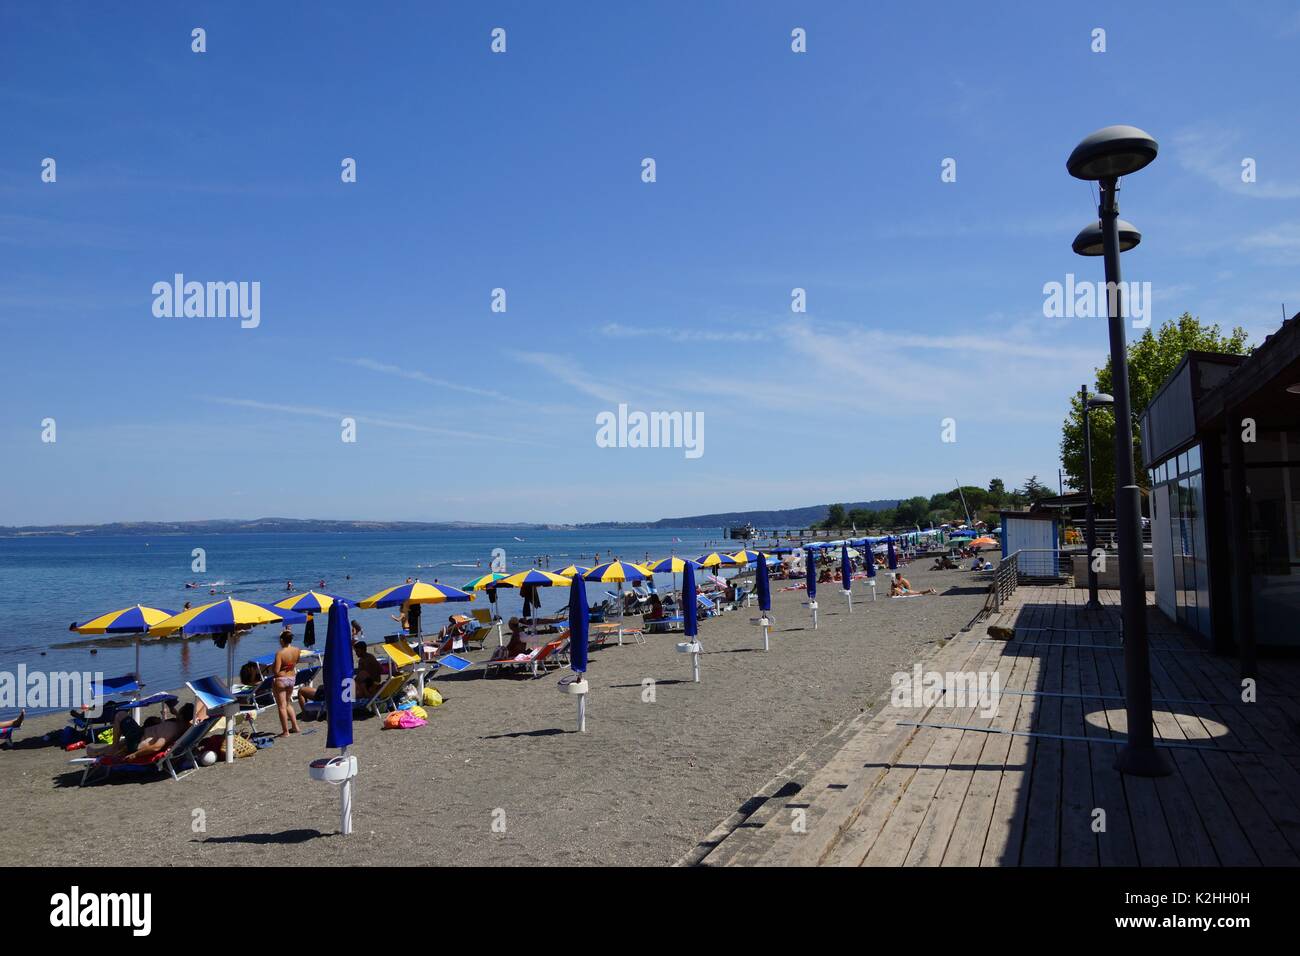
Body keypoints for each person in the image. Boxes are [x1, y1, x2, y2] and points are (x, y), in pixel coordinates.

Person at [272, 628, 302, 737]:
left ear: (282, 640)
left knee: (282, 706)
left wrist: (273, 666)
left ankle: (285, 731)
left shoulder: (280, 653)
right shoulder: (297, 650)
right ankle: (295, 726)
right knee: (288, 703)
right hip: (291, 678)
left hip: (281, 679)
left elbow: (276, 670)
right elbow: (296, 662)